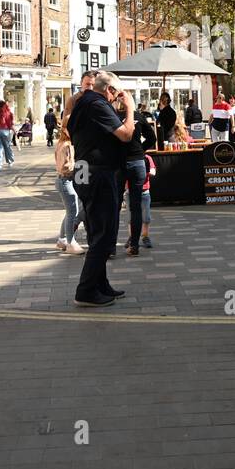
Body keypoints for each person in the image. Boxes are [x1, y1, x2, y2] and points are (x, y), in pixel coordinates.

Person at [67, 70, 135, 307]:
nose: (117, 98)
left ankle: (100, 284)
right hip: (98, 173)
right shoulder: (97, 103)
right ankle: (86, 290)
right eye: (117, 94)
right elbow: (126, 135)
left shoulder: (83, 101)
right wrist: (130, 108)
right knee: (105, 235)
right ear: (109, 90)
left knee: (98, 231)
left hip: (86, 171)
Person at [119, 98, 157, 256]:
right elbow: (152, 138)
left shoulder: (113, 116)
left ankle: (109, 249)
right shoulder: (139, 116)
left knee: (114, 205)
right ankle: (134, 245)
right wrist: (140, 150)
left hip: (118, 163)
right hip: (137, 162)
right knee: (135, 207)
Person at [53, 110, 85, 255]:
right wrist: (77, 164)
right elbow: (64, 166)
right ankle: (70, 242)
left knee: (70, 211)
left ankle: (62, 239)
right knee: (73, 211)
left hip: (64, 180)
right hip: (65, 180)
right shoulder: (67, 145)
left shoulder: (63, 142)